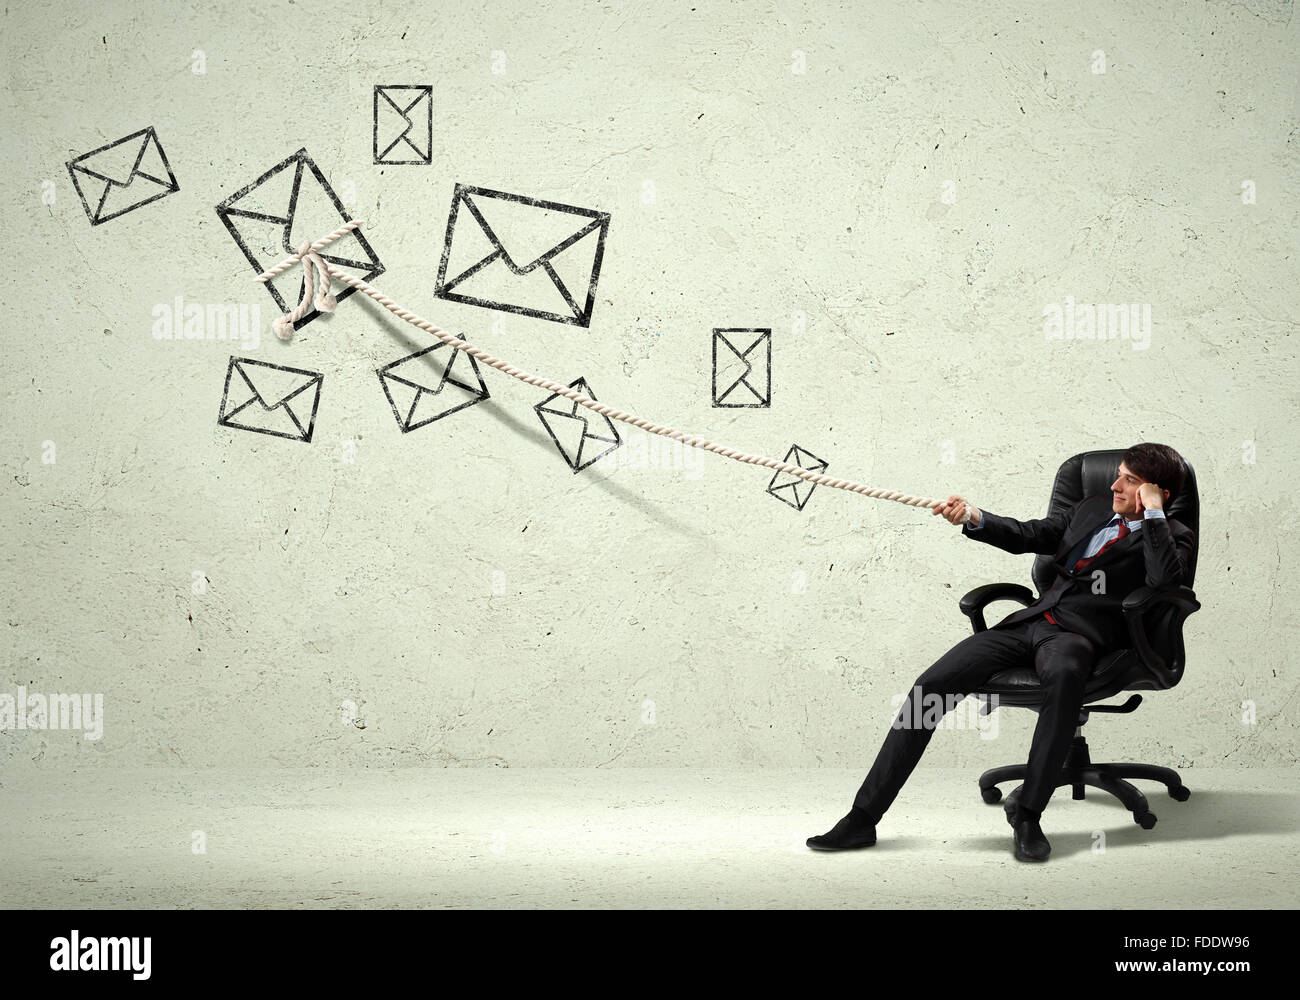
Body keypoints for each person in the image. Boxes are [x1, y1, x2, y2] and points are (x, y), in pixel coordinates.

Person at [807, 443, 1196, 861]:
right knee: (928, 690)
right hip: (1030, 622)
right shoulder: (1092, 508)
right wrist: (975, 517)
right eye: (1118, 475)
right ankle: (862, 819)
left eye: (1130, 482)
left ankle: (1027, 815)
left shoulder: (1172, 535)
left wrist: (1154, 514)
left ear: (1157, 494)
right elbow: (1032, 534)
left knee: (1062, 687)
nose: (1115, 485)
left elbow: (1163, 582)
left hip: (1080, 638)